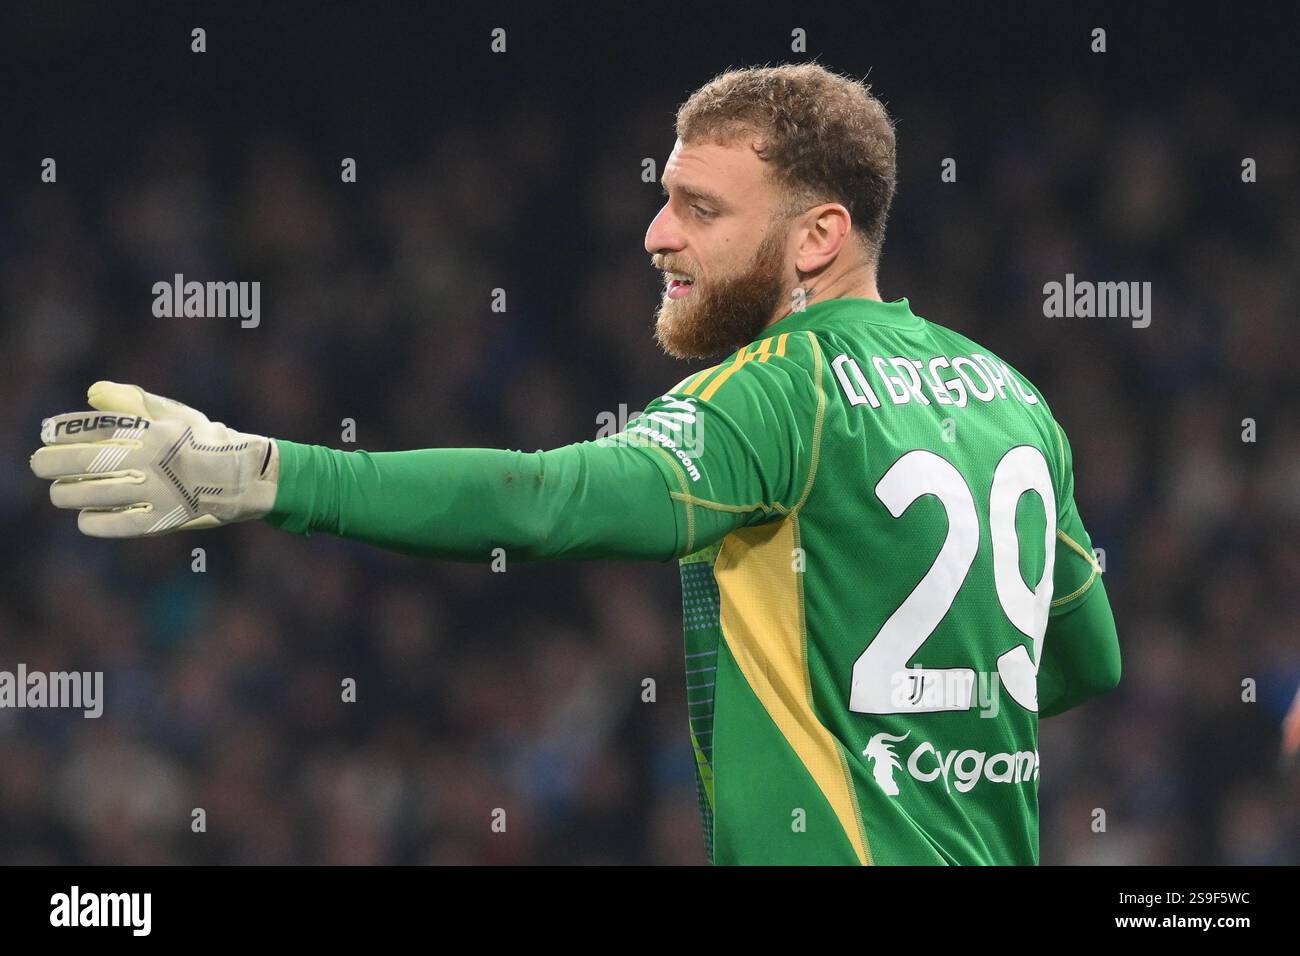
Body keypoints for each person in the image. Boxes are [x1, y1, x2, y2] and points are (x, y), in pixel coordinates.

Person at [30, 63, 1120, 865]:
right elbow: (1083, 661)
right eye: (665, 196)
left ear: (816, 236)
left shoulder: (785, 386)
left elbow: (549, 501)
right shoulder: (1014, 397)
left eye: (700, 208)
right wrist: (920, 731)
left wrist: (265, 474)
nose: (656, 232)